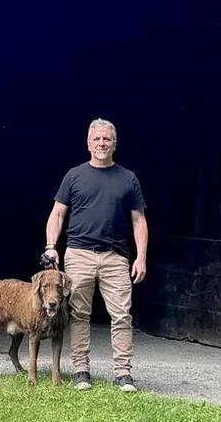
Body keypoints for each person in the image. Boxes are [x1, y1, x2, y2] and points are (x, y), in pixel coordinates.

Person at [43, 118, 148, 393]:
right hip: (79, 254)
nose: (102, 143)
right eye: (97, 139)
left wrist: (141, 257)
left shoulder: (128, 178)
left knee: (122, 315)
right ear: (88, 143)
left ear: (115, 143)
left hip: (116, 256)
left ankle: (123, 374)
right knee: (78, 314)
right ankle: (81, 370)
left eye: (107, 139)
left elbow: (139, 220)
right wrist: (50, 246)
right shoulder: (74, 176)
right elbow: (57, 214)